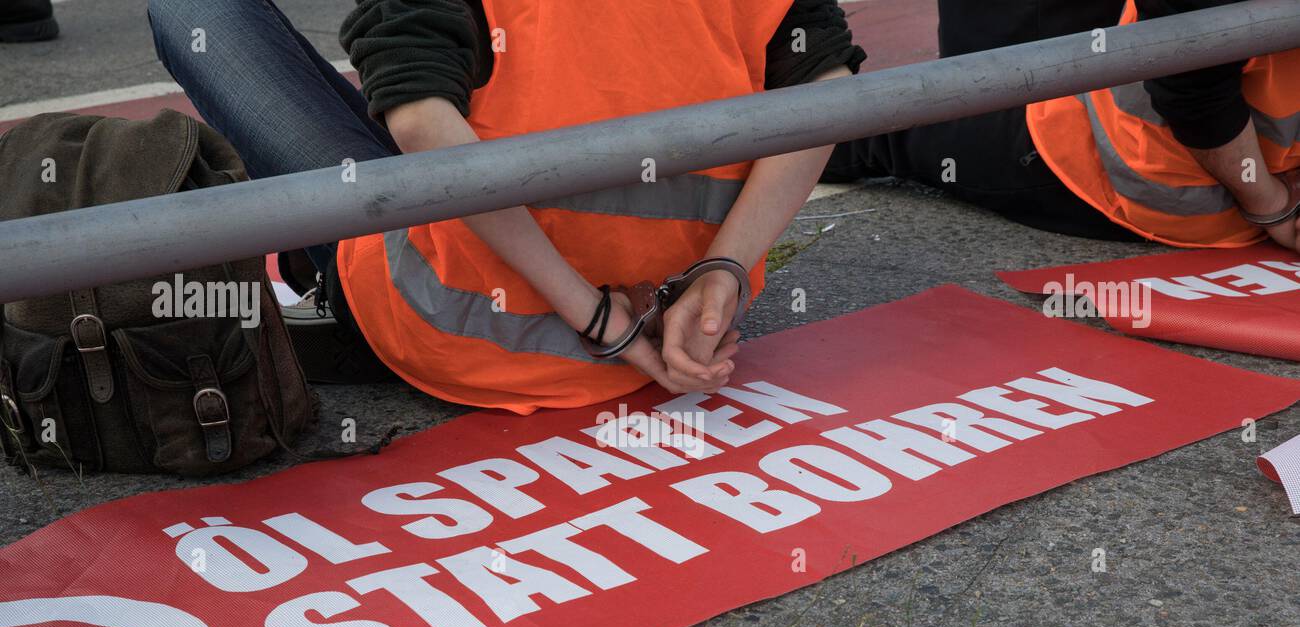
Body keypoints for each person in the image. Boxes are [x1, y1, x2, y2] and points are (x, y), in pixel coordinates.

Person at [148, 0, 865, 411]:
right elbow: (830, 82)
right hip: (687, 320)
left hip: (454, 324)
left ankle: (323, 271)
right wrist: (722, 274)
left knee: (197, 9)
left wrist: (593, 316)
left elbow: (422, 121)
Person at [825, 0, 1300, 252]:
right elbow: (1193, 83)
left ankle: (781, 131)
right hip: (1157, 163)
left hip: (1161, 173)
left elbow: (1194, 85)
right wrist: (1273, 206)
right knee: (897, 123)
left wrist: (1272, 206)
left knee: (893, 127)